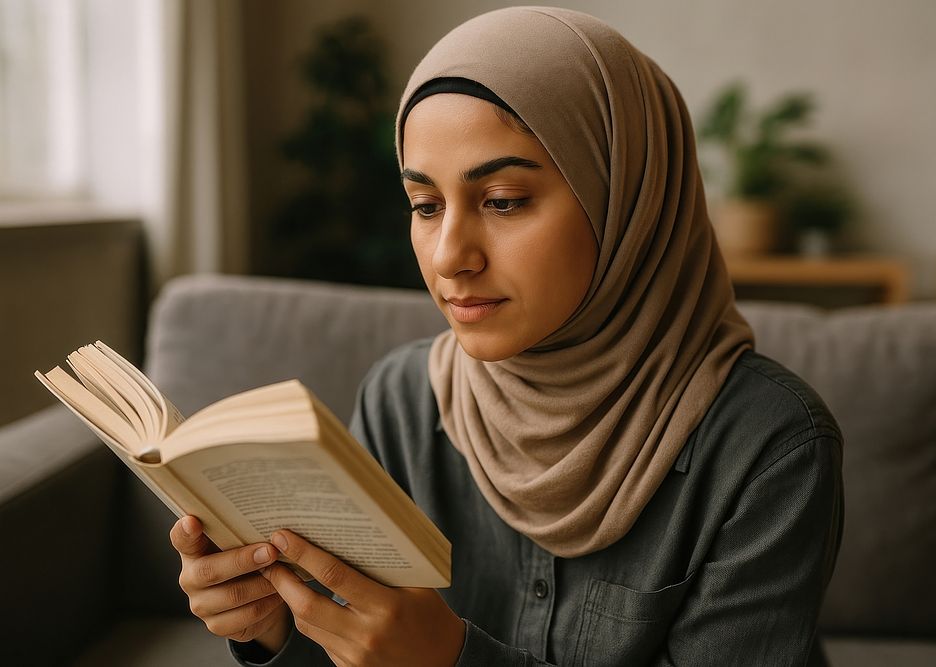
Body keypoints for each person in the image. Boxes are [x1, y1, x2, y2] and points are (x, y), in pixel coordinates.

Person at [169, 7, 844, 666]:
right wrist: (274, 627)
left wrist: (451, 660)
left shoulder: (770, 444)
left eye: (502, 201)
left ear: (625, 199)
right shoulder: (402, 402)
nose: (449, 256)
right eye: (426, 206)